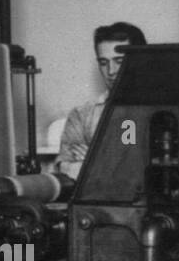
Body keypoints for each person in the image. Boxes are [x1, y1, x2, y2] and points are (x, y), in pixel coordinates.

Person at [57, 21, 147, 171]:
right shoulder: (81, 115)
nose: (111, 71)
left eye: (119, 61)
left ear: (139, 60)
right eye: (103, 62)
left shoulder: (158, 111)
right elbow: (65, 170)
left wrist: (95, 161)